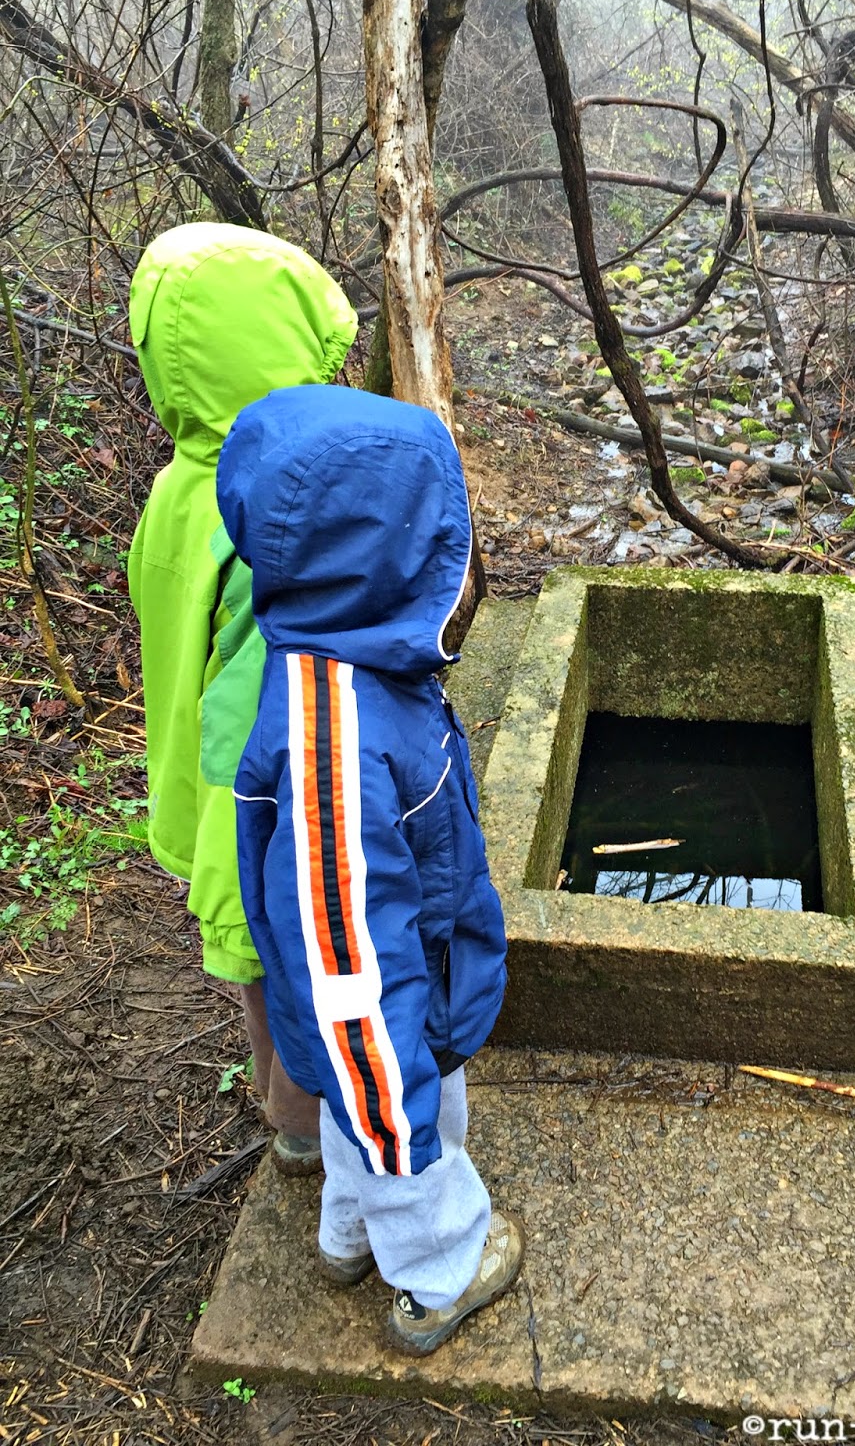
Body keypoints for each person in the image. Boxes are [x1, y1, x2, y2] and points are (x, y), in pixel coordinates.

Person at [214, 383, 522, 1354]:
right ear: (384, 559)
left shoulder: (341, 653)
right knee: (396, 1135)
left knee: (357, 1124)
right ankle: (439, 1269)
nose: (463, 560)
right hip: (388, 1014)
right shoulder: (336, 745)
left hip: (388, 998)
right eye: (445, 539)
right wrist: (398, 1108)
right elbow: (350, 951)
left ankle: (347, 1233)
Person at [128, 223, 358, 1175]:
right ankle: (307, 1133)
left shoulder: (180, 488)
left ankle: (276, 1097)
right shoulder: (270, 509)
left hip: (200, 773)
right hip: (257, 791)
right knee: (289, 955)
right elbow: (274, 682)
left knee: (253, 961)